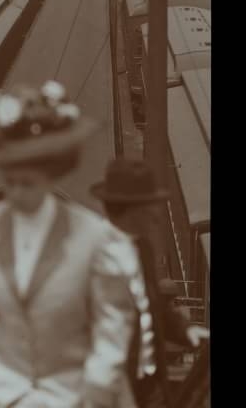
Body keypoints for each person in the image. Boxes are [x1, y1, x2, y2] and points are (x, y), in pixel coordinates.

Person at [0, 81, 140, 408]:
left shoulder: (94, 238)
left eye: (28, 184)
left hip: (74, 395)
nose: (17, 194)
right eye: (9, 183)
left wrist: (98, 386)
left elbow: (112, 323)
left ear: (51, 176)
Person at [90, 159, 211, 407]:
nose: (157, 214)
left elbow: (156, 306)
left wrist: (187, 330)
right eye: (150, 206)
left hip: (146, 383)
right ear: (132, 209)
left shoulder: (141, 247)